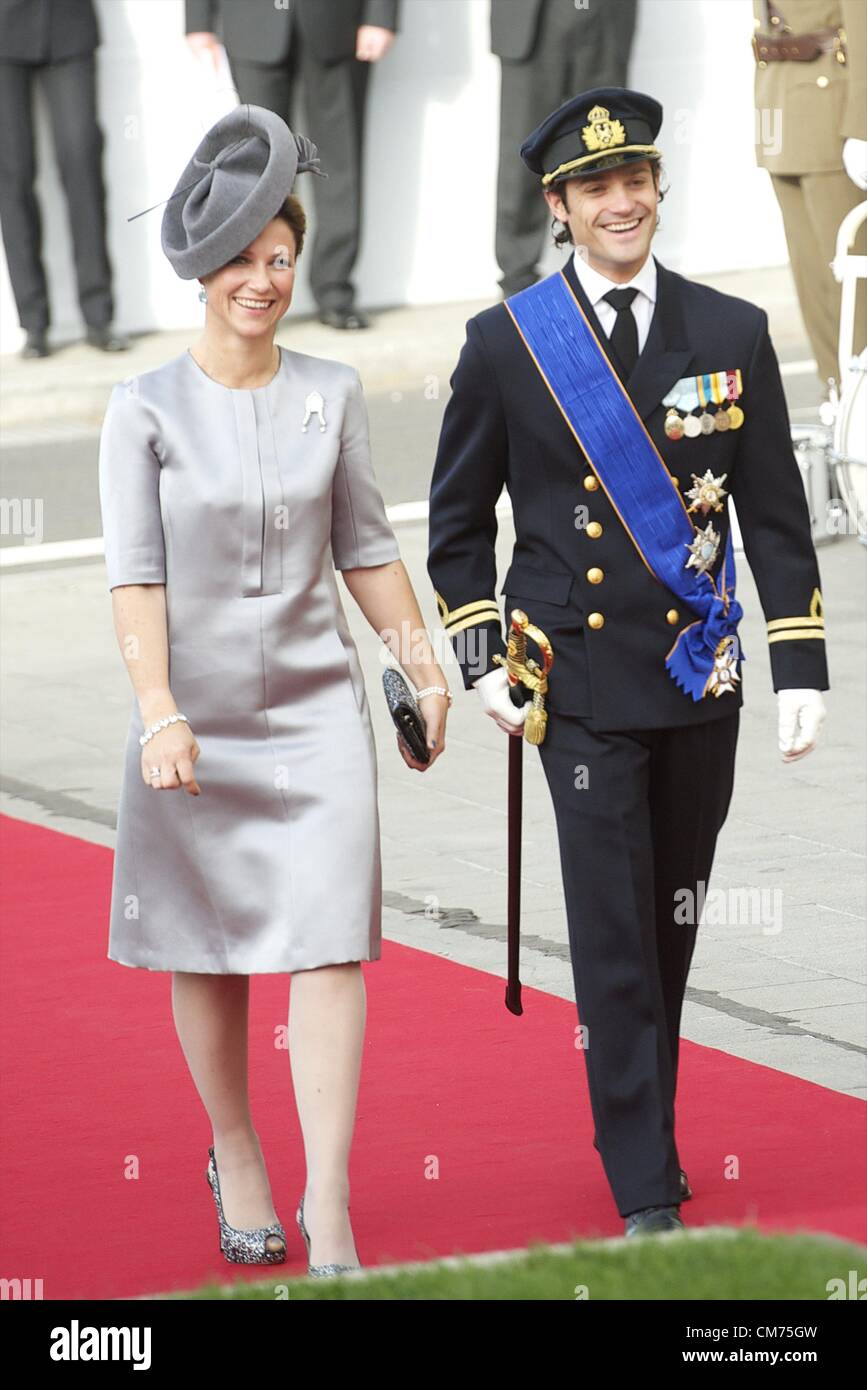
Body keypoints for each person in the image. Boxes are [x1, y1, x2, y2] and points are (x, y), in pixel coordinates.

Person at [427, 88, 829, 1237]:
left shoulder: (731, 332)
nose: (622, 201)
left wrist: (798, 665)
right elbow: (458, 526)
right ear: (559, 206)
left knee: (670, 922)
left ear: (658, 188)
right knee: (609, 929)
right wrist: (476, 657)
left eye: (636, 180)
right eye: (596, 187)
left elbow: (777, 521)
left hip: (697, 680)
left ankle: (645, 1122)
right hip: (581, 687)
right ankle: (644, 1177)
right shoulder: (507, 346)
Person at [98, 104, 450, 1276]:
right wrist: (159, 712)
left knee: (331, 942)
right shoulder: (140, 407)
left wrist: (418, 657)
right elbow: (135, 580)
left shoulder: (333, 390)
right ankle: (236, 1148)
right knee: (203, 945)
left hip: (316, 716)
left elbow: (365, 544)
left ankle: (332, 1201)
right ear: (204, 267)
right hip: (189, 721)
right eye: (244, 260)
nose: (264, 280)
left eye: (281, 259)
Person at [185, 0, 400, 329]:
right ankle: (258, 292)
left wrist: (381, 15)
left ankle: (335, 291)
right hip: (250, 20)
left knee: (340, 162)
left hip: (338, 21)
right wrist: (197, 18)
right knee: (261, 171)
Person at [0, 0, 128, 357]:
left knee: (82, 162)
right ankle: (34, 322)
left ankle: (98, 316)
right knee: (13, 173)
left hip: (69, 24)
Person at [752, 0, 867, 390]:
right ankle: (837, 396)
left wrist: (863, 123)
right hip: (779, 105)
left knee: (851, 280)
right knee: (812, 279)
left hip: (830, 107)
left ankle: (859, 401)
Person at [491, 0, 637, 297]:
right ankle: (518, 283)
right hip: (531, 17)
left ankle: (608, 272)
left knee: (605, 152)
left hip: (602, 15)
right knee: (522, 152)